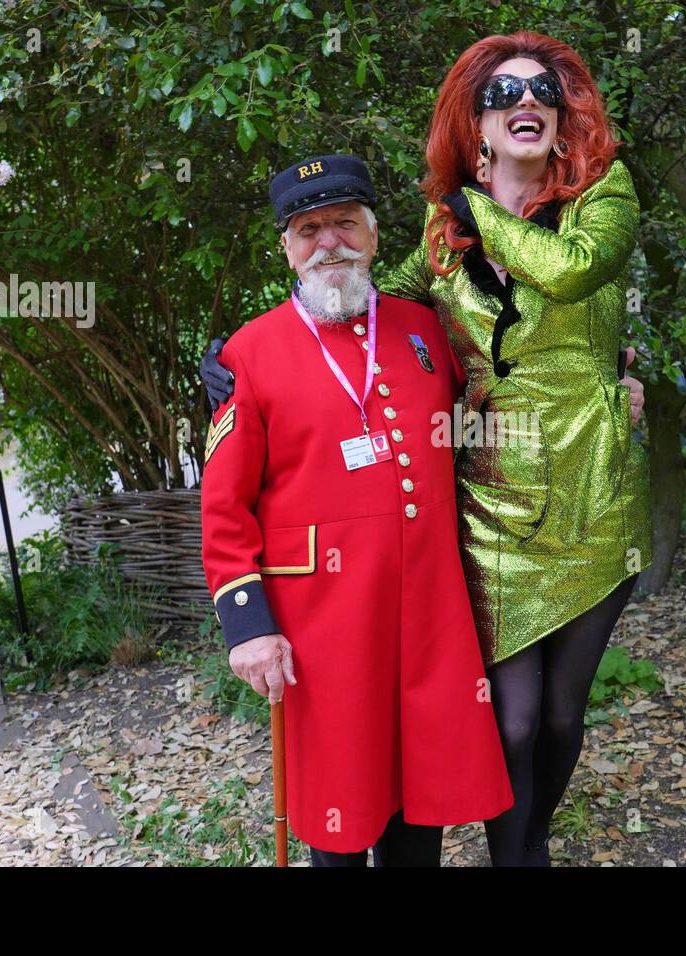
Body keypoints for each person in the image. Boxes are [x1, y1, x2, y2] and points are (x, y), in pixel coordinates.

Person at [202, 32, 652, 866]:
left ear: (561, 113)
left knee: (547, 722)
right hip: (483, 514)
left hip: (589, 491)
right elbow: (352, 302)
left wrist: (623, 375)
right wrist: (240, 351)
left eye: (541, 89)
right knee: (495, 722)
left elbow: (572, 277)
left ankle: (526, 852)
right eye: (502, 92)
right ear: (476, 123)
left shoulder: (596, 195)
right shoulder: (431, 256)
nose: (525, 100)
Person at [200, 152, 514, 867]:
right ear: (286, 248)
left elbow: (508, 390)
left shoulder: (425, 330)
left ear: (374, 236)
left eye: (344, 223)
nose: (328, 243)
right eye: (308, 230)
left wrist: (612, 386)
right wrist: (248, 628)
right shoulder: (247, 354)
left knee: (422, 795)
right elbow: (223, 510)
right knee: (338, 811)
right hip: (323, 626)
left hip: (431, 616)